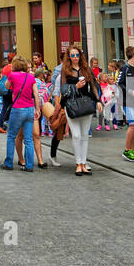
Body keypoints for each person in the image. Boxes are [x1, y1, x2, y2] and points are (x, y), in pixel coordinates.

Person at [53, 47, 100, 175]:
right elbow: (63, 90)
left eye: (77, 55)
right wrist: (75, 87)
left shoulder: (86, 69)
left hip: (86, 104)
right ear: (69, 57)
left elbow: (94, 85)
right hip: (71, 105)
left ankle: (84, 164)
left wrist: (98, 100)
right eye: (72, 55)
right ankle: (78, 163)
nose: (75, 58)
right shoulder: (65, 70)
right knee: (77, 135)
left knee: (85, 136)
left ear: (80, 56)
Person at [0, 58, 42, 171]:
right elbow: (36, 94)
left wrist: (8, 75)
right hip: (29, 109)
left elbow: (6, 86)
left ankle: (8, 163)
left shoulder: (12, 75)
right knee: (28, 139)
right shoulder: (31, 77)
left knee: (11, 136)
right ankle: (29, 165)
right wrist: (37, 109)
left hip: (18, 108)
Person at [119, 47, 134, 162]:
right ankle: (127, 150)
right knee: (133, 124)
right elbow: (120, 84)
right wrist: (131, 92)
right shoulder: (124, 68)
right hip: (127, 101)